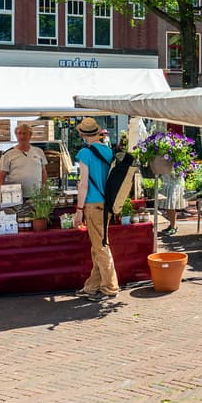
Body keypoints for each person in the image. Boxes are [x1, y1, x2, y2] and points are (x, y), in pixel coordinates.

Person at [73, 118, 119, 302]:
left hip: (92, 204)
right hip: (106, 203)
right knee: (97, 247)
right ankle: (92, 286)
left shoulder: (85, 153)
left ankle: (109, 287)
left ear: (83, 134)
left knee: (100, 247)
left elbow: (83, 184)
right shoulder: (108, 151)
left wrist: (79, 209)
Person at [0, 122, 48, 199]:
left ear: (30, 135)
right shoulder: (8, 154)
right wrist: (1, 193)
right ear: (16, 135)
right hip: (15, 196)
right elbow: (0, 175)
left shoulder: (39, 151)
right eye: (19, 133)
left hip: (36, 195)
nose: (22, 136)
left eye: (25, 133)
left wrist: (44, 187)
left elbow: (43, 171)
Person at [158, 164, 186, 237]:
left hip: (173, 185)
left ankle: (173, 227)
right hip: (168, 183)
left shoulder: (176, 160)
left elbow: (176, 174)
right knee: (168, 206)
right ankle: (172, 225)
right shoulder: (166, 158)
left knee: (170, 206)